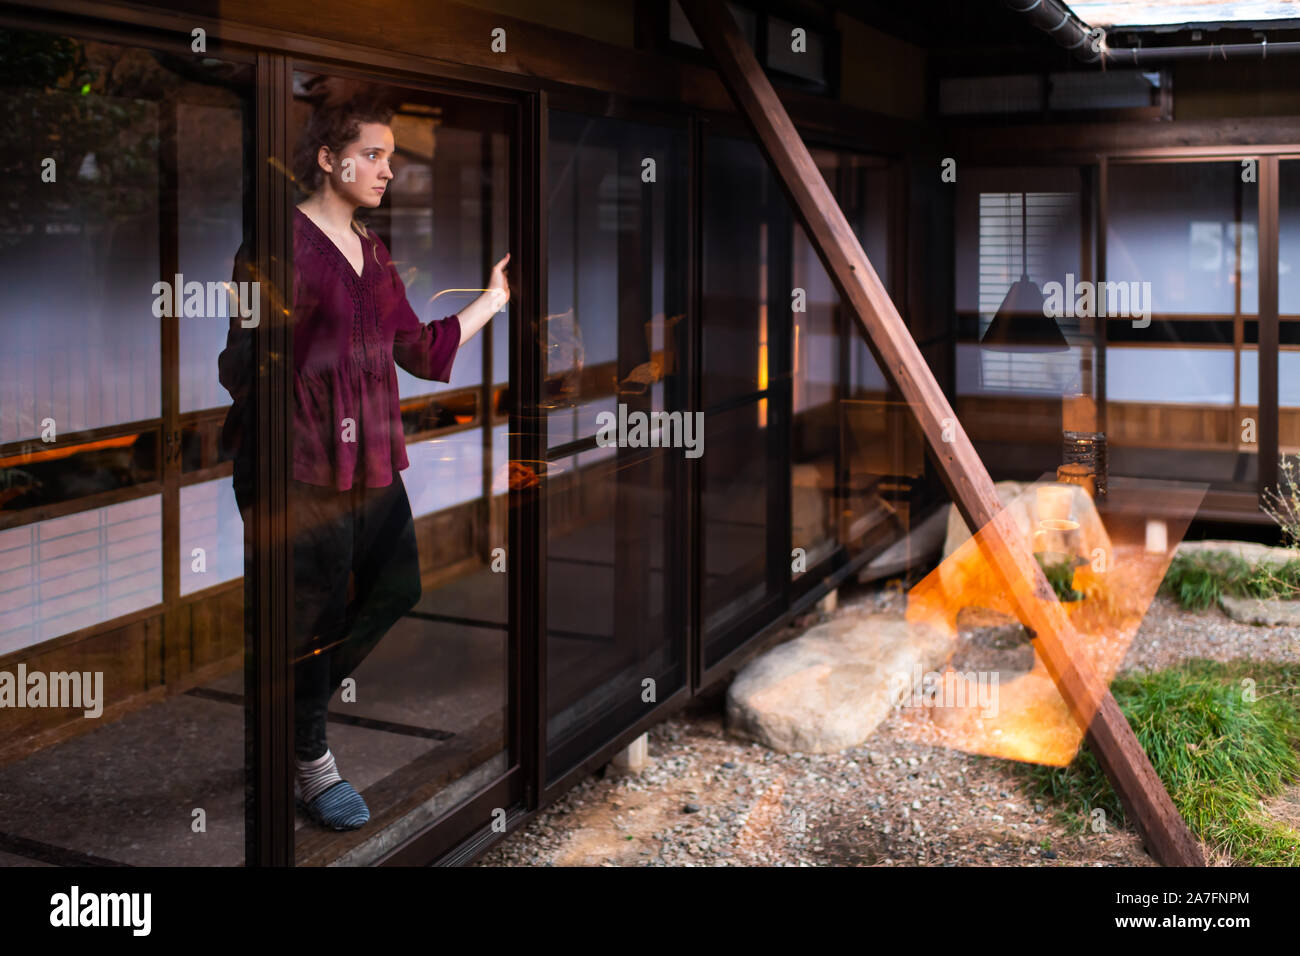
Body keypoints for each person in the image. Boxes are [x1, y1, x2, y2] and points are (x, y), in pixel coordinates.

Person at [218, 99, 509, 831]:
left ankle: (288, 709)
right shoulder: (277, 244)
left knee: (396, 585)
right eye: (375, 154)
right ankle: (311, 760)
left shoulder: (373, 252)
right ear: (328, 159)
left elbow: (417, 347)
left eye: (391, 155)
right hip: (303, 465)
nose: (389, 168)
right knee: (310, 611)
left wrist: (495, 301)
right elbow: (241, 362)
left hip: (372, 455)